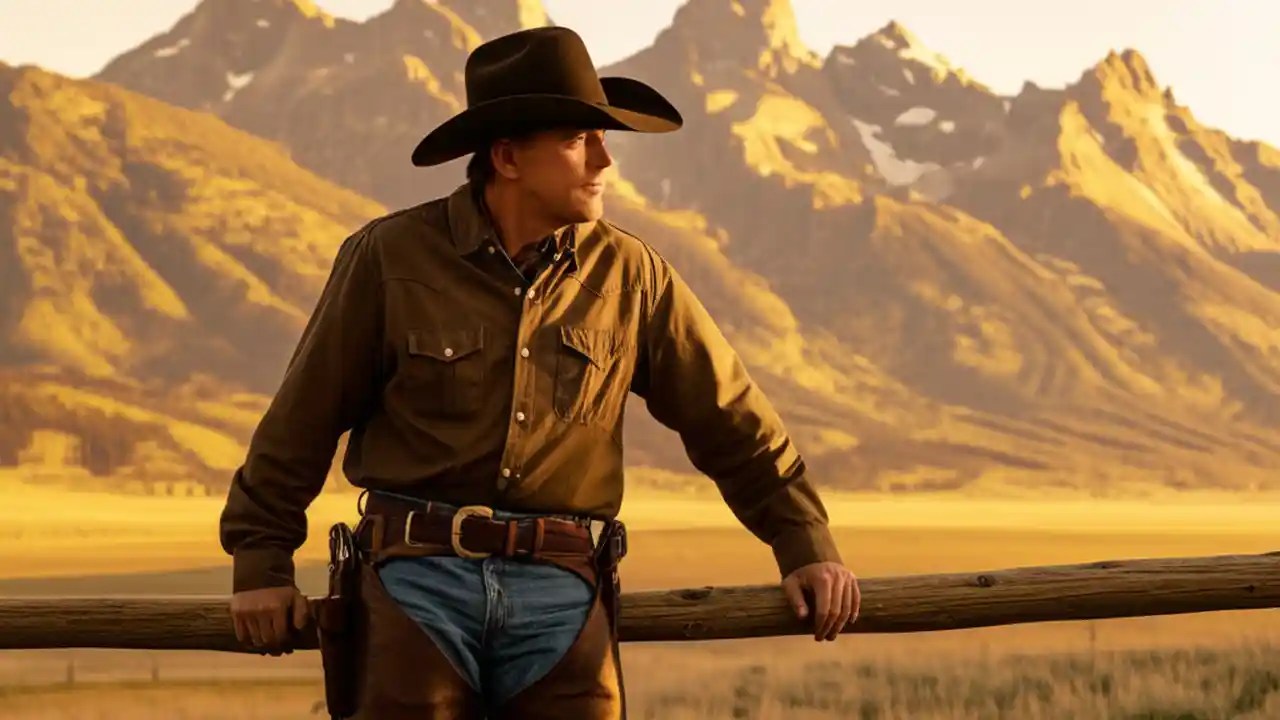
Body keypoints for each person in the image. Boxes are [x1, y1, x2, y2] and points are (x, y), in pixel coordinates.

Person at [219, 25, 859, 720]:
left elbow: (731, 420)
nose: (605, 159)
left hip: (563, 589)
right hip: (413, 585)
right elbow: (303, 418)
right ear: (507, 158)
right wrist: (262, 565)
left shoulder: (632, 276)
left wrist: (805, 546)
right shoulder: (390, 258)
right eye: (579, 139)